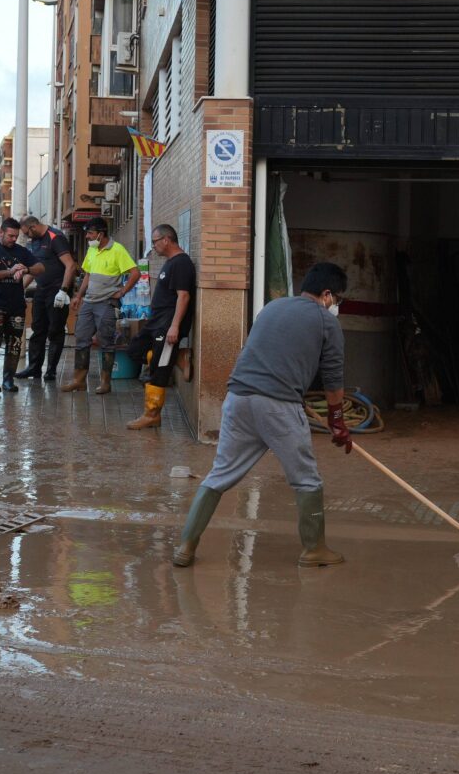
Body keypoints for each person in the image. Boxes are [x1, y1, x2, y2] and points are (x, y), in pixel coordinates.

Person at [172, 262, 353, 569]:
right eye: (336, 299)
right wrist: (338, 423)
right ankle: (314, 550)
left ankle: (186, 546)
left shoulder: (272, 308)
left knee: (219, 475)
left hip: (238, 398)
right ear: (326, 294)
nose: (335, 305)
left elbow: (259, 351)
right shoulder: (327, 323)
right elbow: (333, 382)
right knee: (307, 480)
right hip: (279, 406)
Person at [126, 224, 196, 430]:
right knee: (135, 350)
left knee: (158, 370)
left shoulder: (182, 264)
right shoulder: (170, 263)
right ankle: (179, 356)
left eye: (155, 242)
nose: (153, 247)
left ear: (166, 240)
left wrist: (174, 327)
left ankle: (152, 414)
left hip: (167, 327)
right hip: (156, 324)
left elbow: (184, 296)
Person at [62, 217, 139, 395]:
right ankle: (79, 381)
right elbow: (88, 275)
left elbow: (135, 273)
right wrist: (78, 296)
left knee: (106, 341)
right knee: (81, 338)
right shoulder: (93, 250)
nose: (87, 236)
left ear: (100, 234)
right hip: (89, 302)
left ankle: (105, 383)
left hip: (107, 302)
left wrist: (123, 291)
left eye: (90, 233)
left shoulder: (118, 249)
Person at [0, 218, 43, 394]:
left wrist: (26, 270)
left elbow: (40, 268)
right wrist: (9, 271)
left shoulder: (22, 251)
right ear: (1, 233)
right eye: (11, 235)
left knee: (14, 343)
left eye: (16, 236)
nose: (14, 239)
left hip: (16, 305)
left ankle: (8, 379)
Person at [15, 215, 77, 382]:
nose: (26, 236)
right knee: (38, 329)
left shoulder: (55, 238)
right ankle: (34, 368)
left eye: (26, 232)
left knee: (55, 330)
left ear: (33, 227)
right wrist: (21, 289)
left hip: (57, 291)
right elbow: (33, 269)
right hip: (41, 290)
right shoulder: (34, 242)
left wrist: (64, 291)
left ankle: (51, 370)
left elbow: (70, 265)